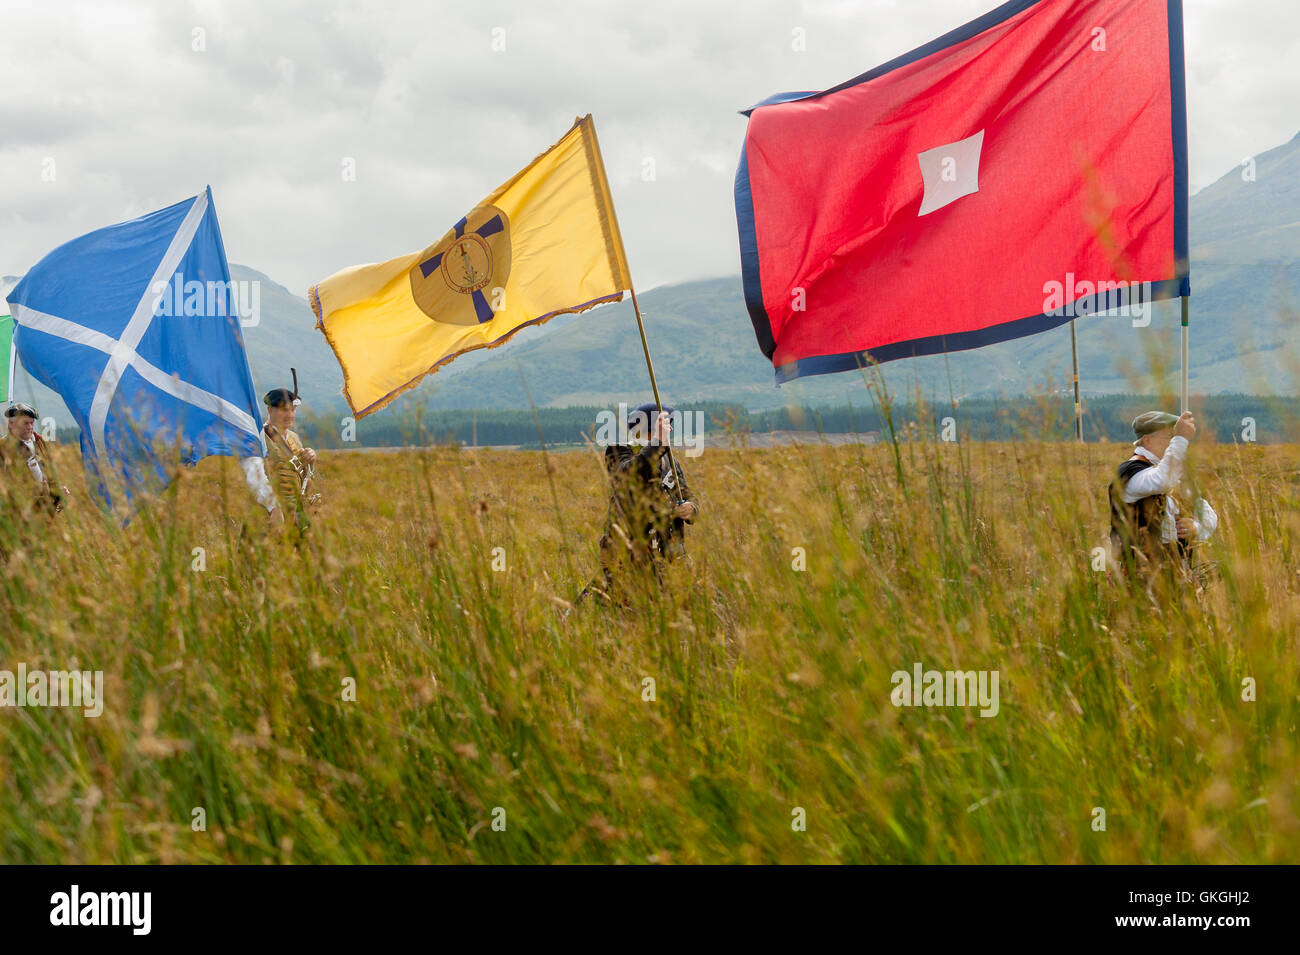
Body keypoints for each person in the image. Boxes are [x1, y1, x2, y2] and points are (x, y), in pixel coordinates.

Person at [574, 402, 699, 608]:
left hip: (667, 558)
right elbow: (629, 476)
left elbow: (687, 495)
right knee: (625, 614)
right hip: (628, 557)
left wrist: (691, 508)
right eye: (662, 427)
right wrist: (658, 443)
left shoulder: (670, 461)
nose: (669, 431)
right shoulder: (618, 451)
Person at [1109, 409, 1217, 584]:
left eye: (1174, 438)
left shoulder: (1176, 474)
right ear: (1147, 440)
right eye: (1169, 438)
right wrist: (1181, 439)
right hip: (1139, 579)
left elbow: (1209, 515)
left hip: (1179, 575)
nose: (1173, 442)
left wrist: (1196, 528)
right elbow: (1163, 481)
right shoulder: (1132, 473)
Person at [261, 373, 320, 531]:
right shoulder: (260, 438)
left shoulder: (294, 437)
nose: (290, 415)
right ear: (269, 410)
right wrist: (273, 508)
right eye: (284, 410)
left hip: (296, 513)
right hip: (269, 514)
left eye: (292, 410)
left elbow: (302, 475)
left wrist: (310, 460)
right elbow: (256, 478)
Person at [0, 402, 69, 514]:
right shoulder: (3, 447)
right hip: (17, 514)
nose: (30, 427)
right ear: (11, 423)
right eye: (25, 423)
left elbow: (49, 475)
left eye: (32, 423)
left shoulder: (40, 442)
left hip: (43, 513)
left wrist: (58, 492)